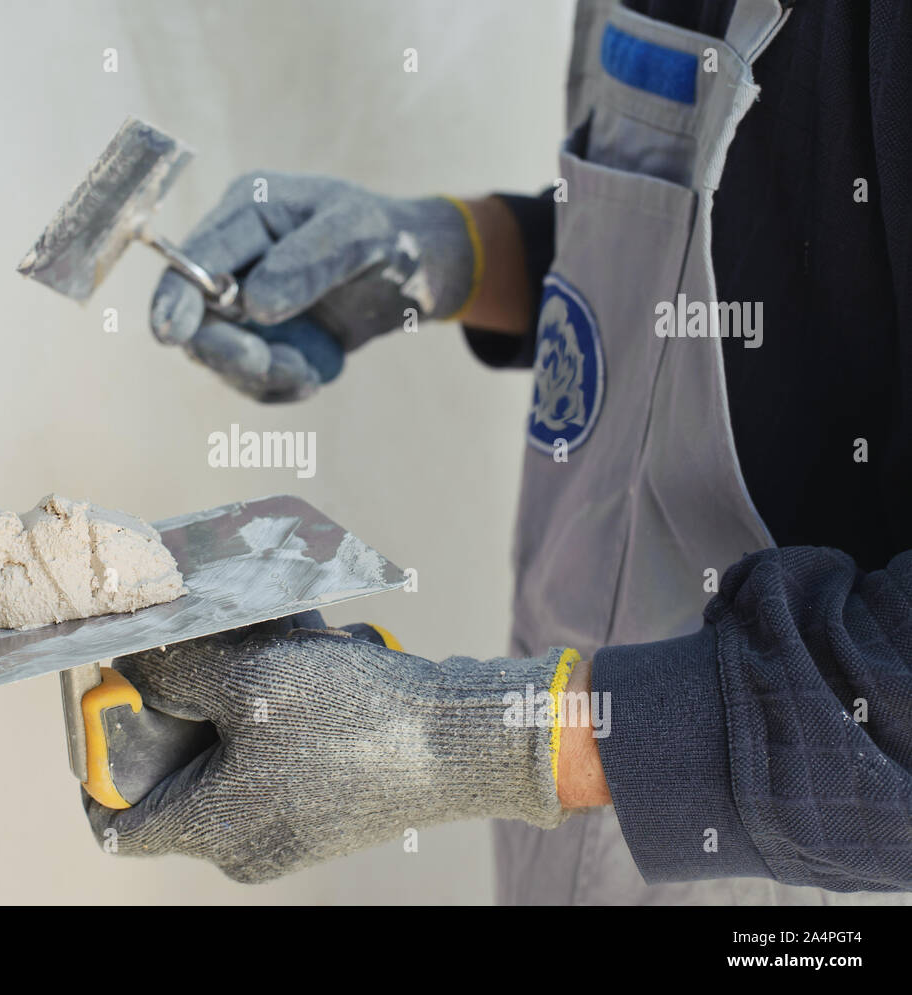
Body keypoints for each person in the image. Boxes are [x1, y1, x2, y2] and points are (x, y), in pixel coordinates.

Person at [84, 0, 912, 903]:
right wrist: (465, 255)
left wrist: (465, 741)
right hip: (568, 807)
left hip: (808, 871)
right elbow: (755, 252)